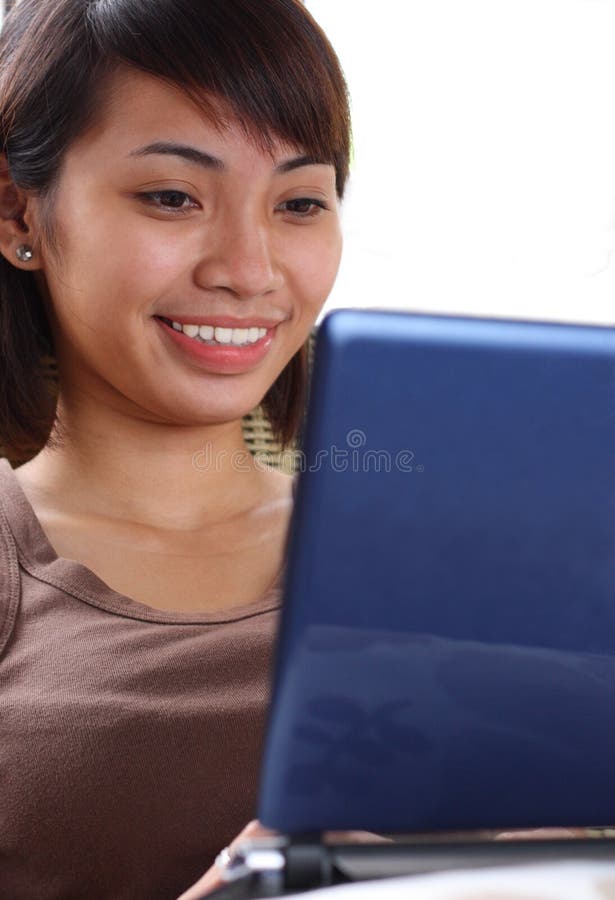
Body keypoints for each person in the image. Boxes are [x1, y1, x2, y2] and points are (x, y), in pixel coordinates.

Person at [0, 1, 351, 897]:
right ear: (16, 216)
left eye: (299, 202)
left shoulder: (431, 548)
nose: (248, 267)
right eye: (171, 196)